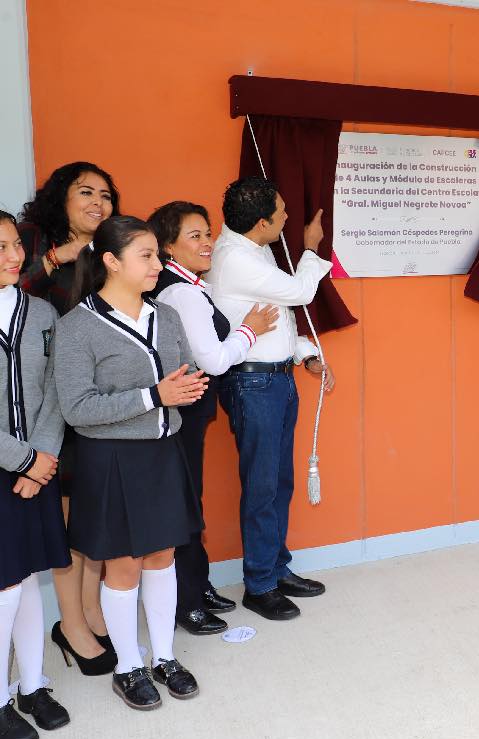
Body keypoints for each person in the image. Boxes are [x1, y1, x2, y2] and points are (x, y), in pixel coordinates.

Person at [54, 216, 207, 709]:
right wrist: (154, 395)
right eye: (146, 256)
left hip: (164, 453)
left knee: (162, 556)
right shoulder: (77, 326)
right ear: (111, 262)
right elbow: (77, 410)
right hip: (113, 460)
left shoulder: (166, 315)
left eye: (156, 256)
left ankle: (163, 655)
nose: (157, 265)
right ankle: (128, 666)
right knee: (123, 566)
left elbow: (181, 373)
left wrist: (188, 386)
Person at [207, 178, 335, 621]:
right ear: (261, 223)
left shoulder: (255, 249)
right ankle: (259, 583)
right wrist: (312, 249)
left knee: (280, 481)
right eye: (280, 212)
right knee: (262, 486)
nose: (286, 217)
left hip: (274, 379)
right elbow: (300, 293)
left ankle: (277, 569)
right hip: (253, 385)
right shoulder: (236, 259)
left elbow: (278, 316)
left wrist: (304, 352)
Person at [148, 202, 278, 634]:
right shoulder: (181, 292)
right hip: (180, 414)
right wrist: (251, 329)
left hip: (189, 414)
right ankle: (187, 602)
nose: (207, 244)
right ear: (168, 247)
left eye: (208, 234)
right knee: (183, 505)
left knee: (191, 500)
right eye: (195, 236)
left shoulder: (190, 285)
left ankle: (197, 587)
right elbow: (216, 360)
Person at [18, 162, 120, 674]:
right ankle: (71, 624)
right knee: (63, 519)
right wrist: (59, 256)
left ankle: (93, 609)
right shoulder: (30, 241)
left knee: (92, 514)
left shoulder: (108, 252)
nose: (97, 202)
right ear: (61, 198)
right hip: (46, 403)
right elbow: (13, 289)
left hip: (98, 399)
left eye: (105, 195)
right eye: (86, 192)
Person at [0, 211, 70, 739]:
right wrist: (21, 459)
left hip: (38, 465)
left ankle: (33, 683)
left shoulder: (42, 311)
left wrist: (43, 454)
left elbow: (53, 388)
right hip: (8, 466)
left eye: (15, 244)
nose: (14, 255)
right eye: (0, 247)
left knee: (25, 581)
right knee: (4, 586)